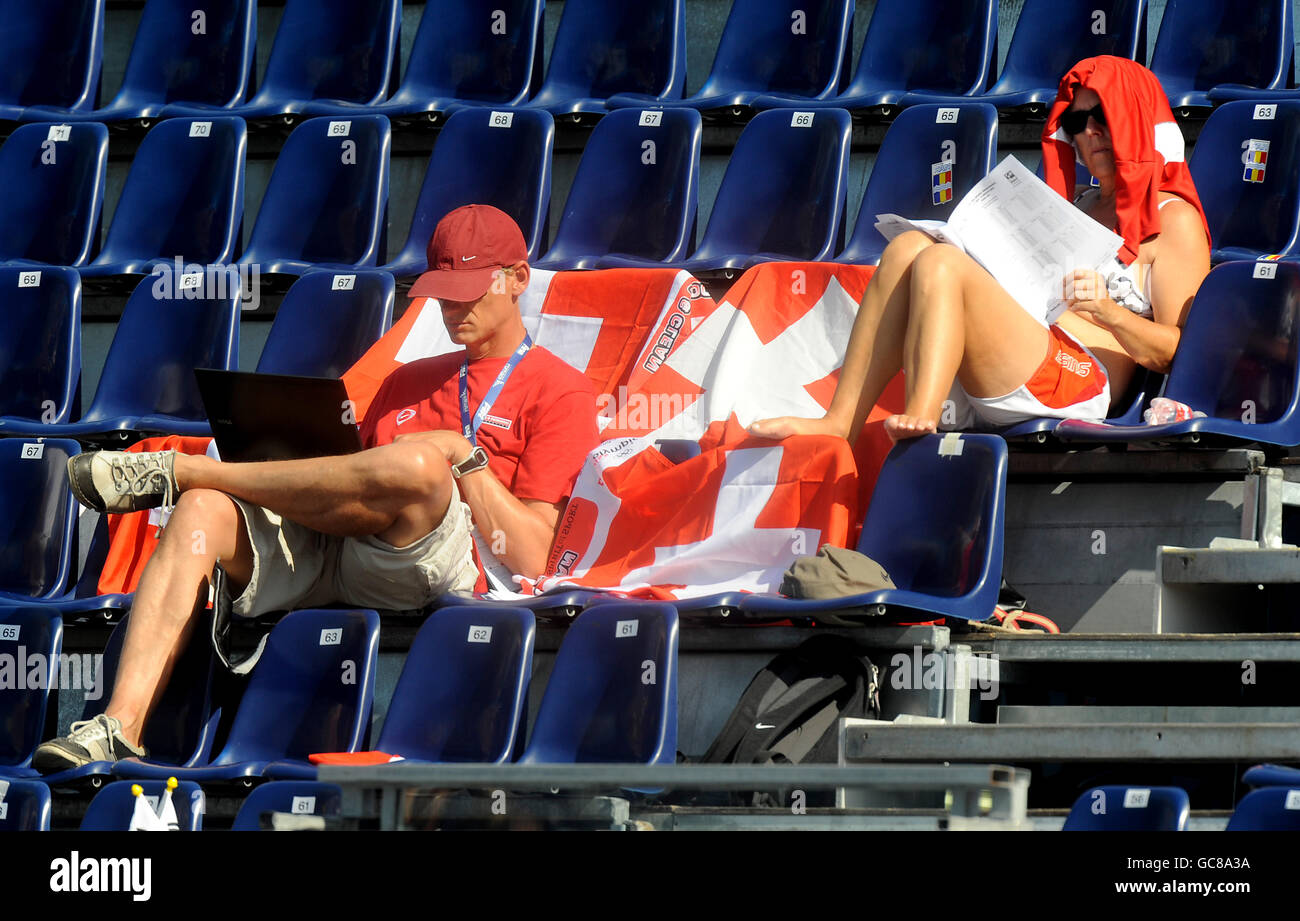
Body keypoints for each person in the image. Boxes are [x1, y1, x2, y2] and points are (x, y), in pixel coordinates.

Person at [35, 204, 600, 770]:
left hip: (431, 560)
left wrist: (463, 457)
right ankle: (118, 725)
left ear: (518, 278)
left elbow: (530, 553)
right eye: (443, 289)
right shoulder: (406, 379)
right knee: (201, 512)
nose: (452, 304)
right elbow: (353, 482)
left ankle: (185, 472)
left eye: (470, 287)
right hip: (334, 538)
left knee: (424, 464)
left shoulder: (561, 390)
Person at [749, 56, 1212, 444]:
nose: (1088, 133)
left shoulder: (1175, 221)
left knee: (942, 262)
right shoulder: (1080, 204)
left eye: (1102, 118)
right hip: (1029, 344)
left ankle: (923, 415)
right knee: (911, 244)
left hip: (1081, 377)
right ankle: (840, 421)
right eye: (1075, 121)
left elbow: (1178, 353)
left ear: (1133, 120)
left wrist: (1109, 311)